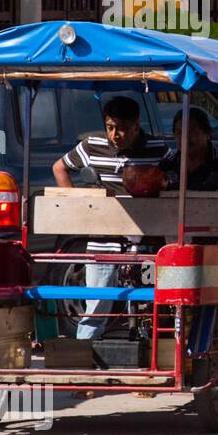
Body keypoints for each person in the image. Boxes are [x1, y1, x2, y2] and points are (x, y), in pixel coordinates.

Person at [51, 96, 169, 340]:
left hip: (147, 242)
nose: (116, 134)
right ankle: (84, 353)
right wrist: (77, 204)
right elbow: (59, 167)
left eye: (122, 128)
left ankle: (152, 352)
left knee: (152, 307)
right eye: (110, 127)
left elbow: (176, 175)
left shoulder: (159, 149)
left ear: (136, 125)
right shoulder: (91, 146)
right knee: (96, 307)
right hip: (102, 241)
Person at [159, 107, 218, 192]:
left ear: (207, 134)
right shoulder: (167, 165)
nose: (184, 138)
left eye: (191, 132)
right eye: (179, 133)